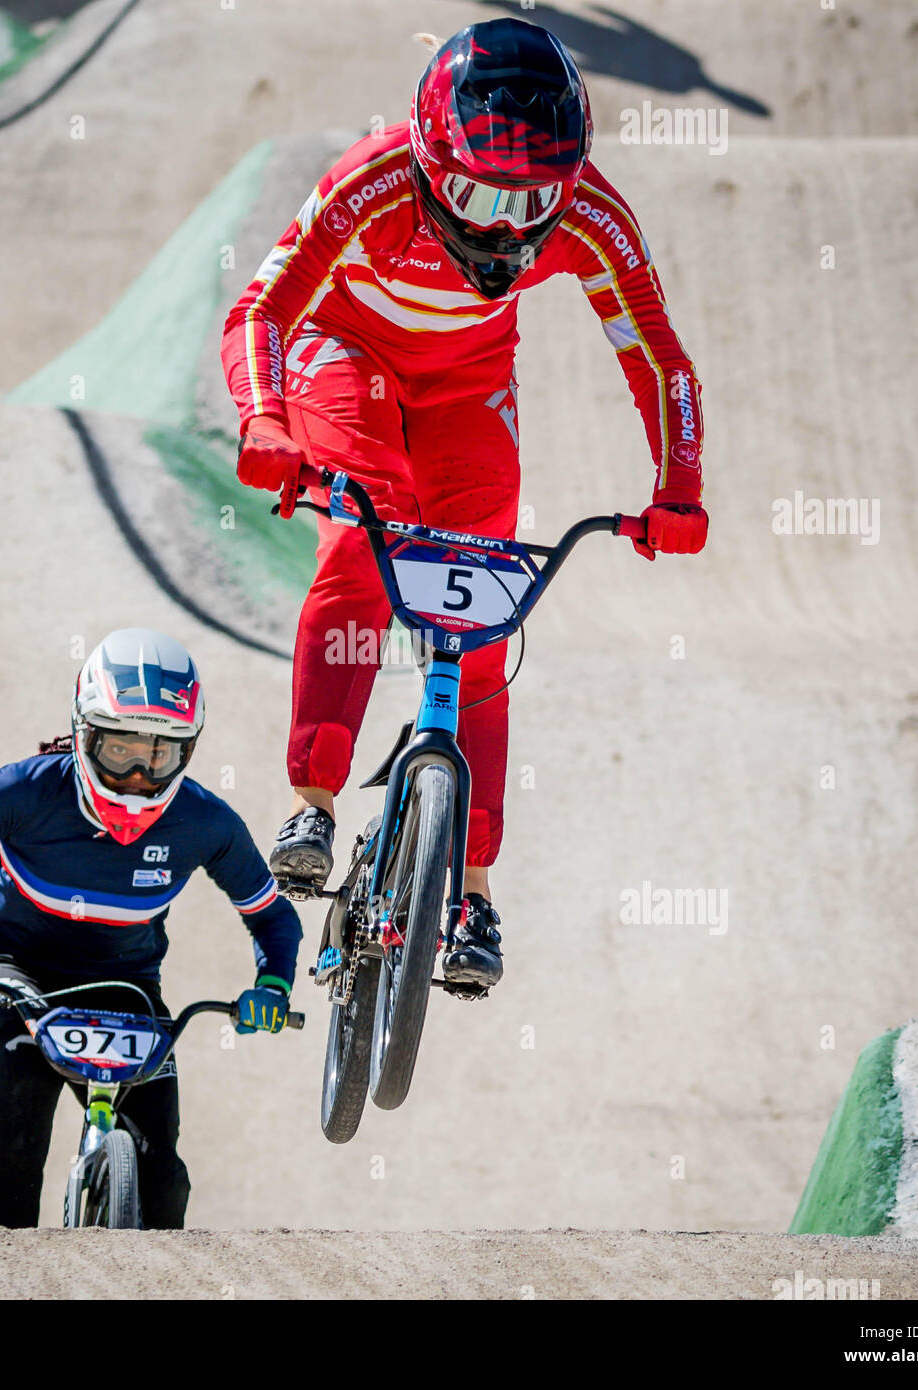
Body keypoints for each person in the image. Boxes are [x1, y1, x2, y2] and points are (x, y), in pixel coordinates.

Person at [221, 18, 708, 988]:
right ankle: (312, 802)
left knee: (483, 603)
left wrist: (679, 487)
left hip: (464, 383)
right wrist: (265, 421)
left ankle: (473, 895)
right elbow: (263, 310)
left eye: (532, 200)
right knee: (368, 537)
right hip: (342, 351)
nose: (503, 227)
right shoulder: (374, 177)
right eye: (480, 194)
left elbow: (657, 357)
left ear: (569, 178)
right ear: (430, 160)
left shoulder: (588, 218)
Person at [0, 628, 302, 1228]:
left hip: (123, 986)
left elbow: (273, 916)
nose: (136, 775)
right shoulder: (23, 791)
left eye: (160, 753)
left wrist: (274, 986)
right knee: (20, 1083)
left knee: (161, 1179)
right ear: (83, 734)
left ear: (190, 749)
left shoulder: (205, 821)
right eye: (120, 749)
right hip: (7, 970)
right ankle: (8, 1274)